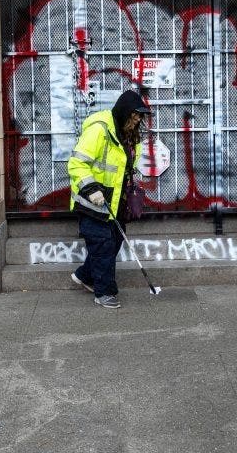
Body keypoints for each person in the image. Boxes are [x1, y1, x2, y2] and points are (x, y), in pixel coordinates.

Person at [68, 89, 150, 309]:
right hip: (92, 201)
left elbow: (126, 168)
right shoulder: (99, 129)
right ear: (124, 113)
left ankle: (84, 275)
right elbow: (76, 163)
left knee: (113, 242)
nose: (136, 122)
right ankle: (104, 293)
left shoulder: (130, 137)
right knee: (103, 246)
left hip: (115, 203)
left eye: (139, 118)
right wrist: (92, 189)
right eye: (133, 117)